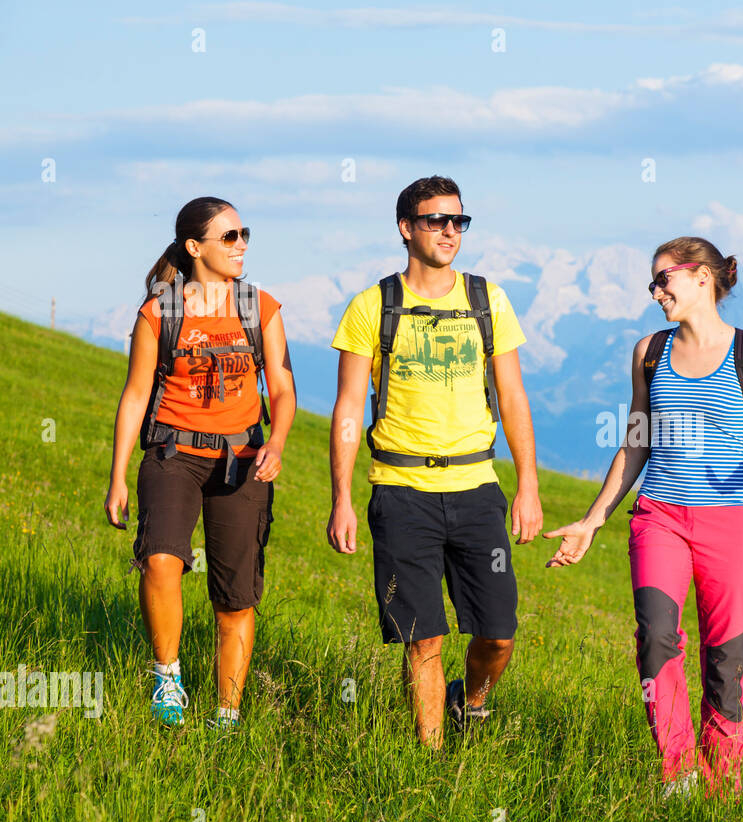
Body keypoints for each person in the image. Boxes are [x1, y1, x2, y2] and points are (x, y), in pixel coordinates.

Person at [544, 237, 743, 797]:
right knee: (656, 639)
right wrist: (592, 519)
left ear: (702, 276)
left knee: (724, 663)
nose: (655, 293)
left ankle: (720, 788)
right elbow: (635, 443)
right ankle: (678, 773)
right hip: (660, 518)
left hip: (731, 525)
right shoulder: (648, 352)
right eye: (652, 284)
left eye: (663, 280)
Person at [326, 175, 543, 748]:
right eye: (436, 220)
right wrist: (342, 497)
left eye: (459, 221)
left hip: (477, 489)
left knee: (498, 632)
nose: (450, 231)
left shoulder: (487, 299)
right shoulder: (371, 306)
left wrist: (528, 488)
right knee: (423, 637)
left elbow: (515, 398)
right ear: (406, 228)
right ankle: (430, 759)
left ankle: (470, 705)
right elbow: (349, 407)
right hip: (400, 492)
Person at [104, 196, 297, 729]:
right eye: (229, 237)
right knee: (163, 559)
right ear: (195, 247)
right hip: (172, 454)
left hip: (243, 458)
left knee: (235, 596)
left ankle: (226, 716)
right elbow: (135, 395)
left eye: (244, 234)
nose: (242, 246)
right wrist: (118, 476)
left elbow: (281, 386)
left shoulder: (261, 308)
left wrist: (277, 441)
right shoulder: (161, 310)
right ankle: (168, 678)